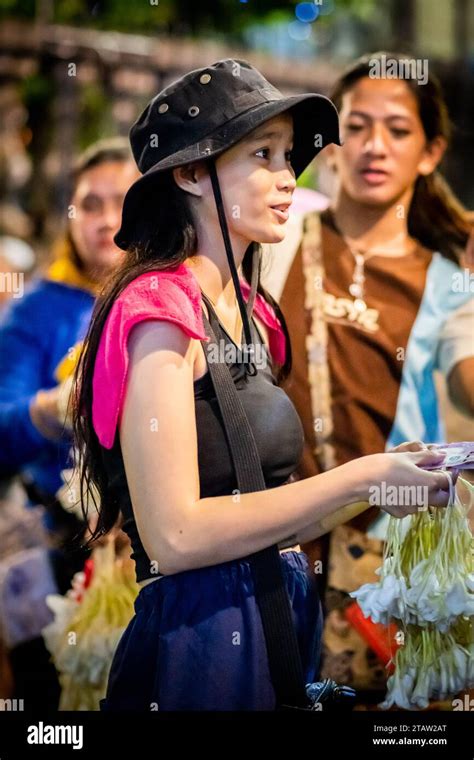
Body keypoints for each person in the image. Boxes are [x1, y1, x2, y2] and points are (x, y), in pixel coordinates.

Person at [73, 59, 452, 711]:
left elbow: (265, 499)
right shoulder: (159, 310)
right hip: (199, 640)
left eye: (289, 157)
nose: (288, 178)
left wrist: (396, 478)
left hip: (274, 615)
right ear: (192, 173)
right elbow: (176, 536)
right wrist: (362, 477)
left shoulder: (254, 310)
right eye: (263, 155)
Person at [260, 51, 474, 697]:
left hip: (383, 549)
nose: (374, 146)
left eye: (398, 130)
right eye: (356, 126)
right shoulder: (279, 230)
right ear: (330, 143)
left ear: (430, 153)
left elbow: (468, 382)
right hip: (270, 531)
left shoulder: (448, 271)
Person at [0, 137, 139, 708]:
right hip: (57, 549)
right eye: (90, 204)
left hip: (150, 559)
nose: (106, 220)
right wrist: (53, 409)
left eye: (122, 202)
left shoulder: (172, 297)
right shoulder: (39, 309)